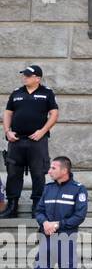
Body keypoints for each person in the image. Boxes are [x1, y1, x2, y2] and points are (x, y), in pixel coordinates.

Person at [17, 155, 85, 269]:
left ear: (64, 170)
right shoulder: (48, 189)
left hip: (66, 241)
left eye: (53, 168)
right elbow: (39, 210)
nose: (49, 171)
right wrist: (45, 223)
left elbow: (79, 216)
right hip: (47, 240)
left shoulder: (78, 189)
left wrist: (58, 225)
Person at [3, 64, 59, 219]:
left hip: (37, 141)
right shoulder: (16, 93)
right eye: (24, 75)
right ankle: (12, 206)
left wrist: (42, 131)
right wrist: (7, 131)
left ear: (37, 78)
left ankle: (37, 207)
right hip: (16, 140)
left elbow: (54, 114)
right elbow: (8, 113)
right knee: (13, 173)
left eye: (28, 76)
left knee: (38, 173)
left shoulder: (46, 93)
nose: (24, 78)